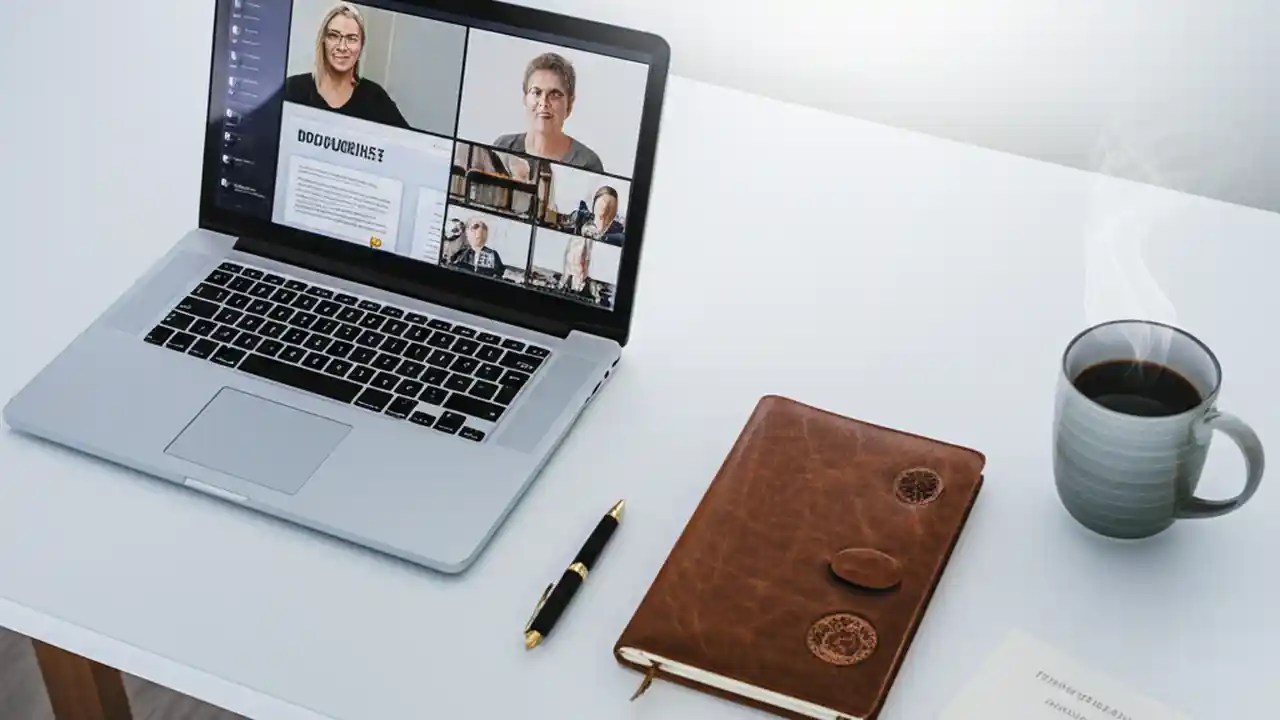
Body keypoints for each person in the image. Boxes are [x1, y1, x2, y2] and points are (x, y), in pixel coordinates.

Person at [284, 3, 411, 130]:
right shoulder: (293, 89)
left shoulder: (376, 98)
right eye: (334, 36)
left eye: (352, 39)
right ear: (323, 41)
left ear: (361, 46)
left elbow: (407, 143)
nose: (342, 47)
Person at [493, 53, 604, 173]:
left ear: (569, 104)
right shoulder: (503, 148)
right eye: (537, 92)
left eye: (555, 94)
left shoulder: (587, 163)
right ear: (525, 98)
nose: (543, 102)